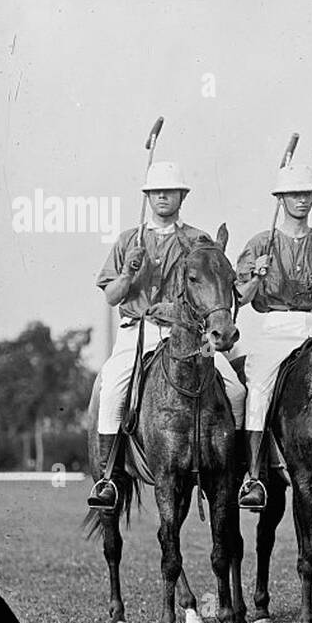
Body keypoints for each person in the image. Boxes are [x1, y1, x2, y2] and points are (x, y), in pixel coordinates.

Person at [87, 162, 246, 510]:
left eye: (169, 191)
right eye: (156, 191)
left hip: (189, 336)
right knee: (111, 391)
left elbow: (213, 286)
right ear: (147, 196)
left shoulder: (197, 240)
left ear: (181, 196)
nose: (162, 196)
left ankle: (239, 474)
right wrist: (128, 273)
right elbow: (112, 296)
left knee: (236, 390)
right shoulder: (128, 240)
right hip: (137, 332)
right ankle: (108, 478)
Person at [232, 164, 312, 511]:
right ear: (281, 199)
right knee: (258, 389)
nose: (301, 200)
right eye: (294, 194)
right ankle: (254, 477)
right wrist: (257, 275)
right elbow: (240, 298)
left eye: (306, 194)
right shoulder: (260, 244)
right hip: (276, 328)